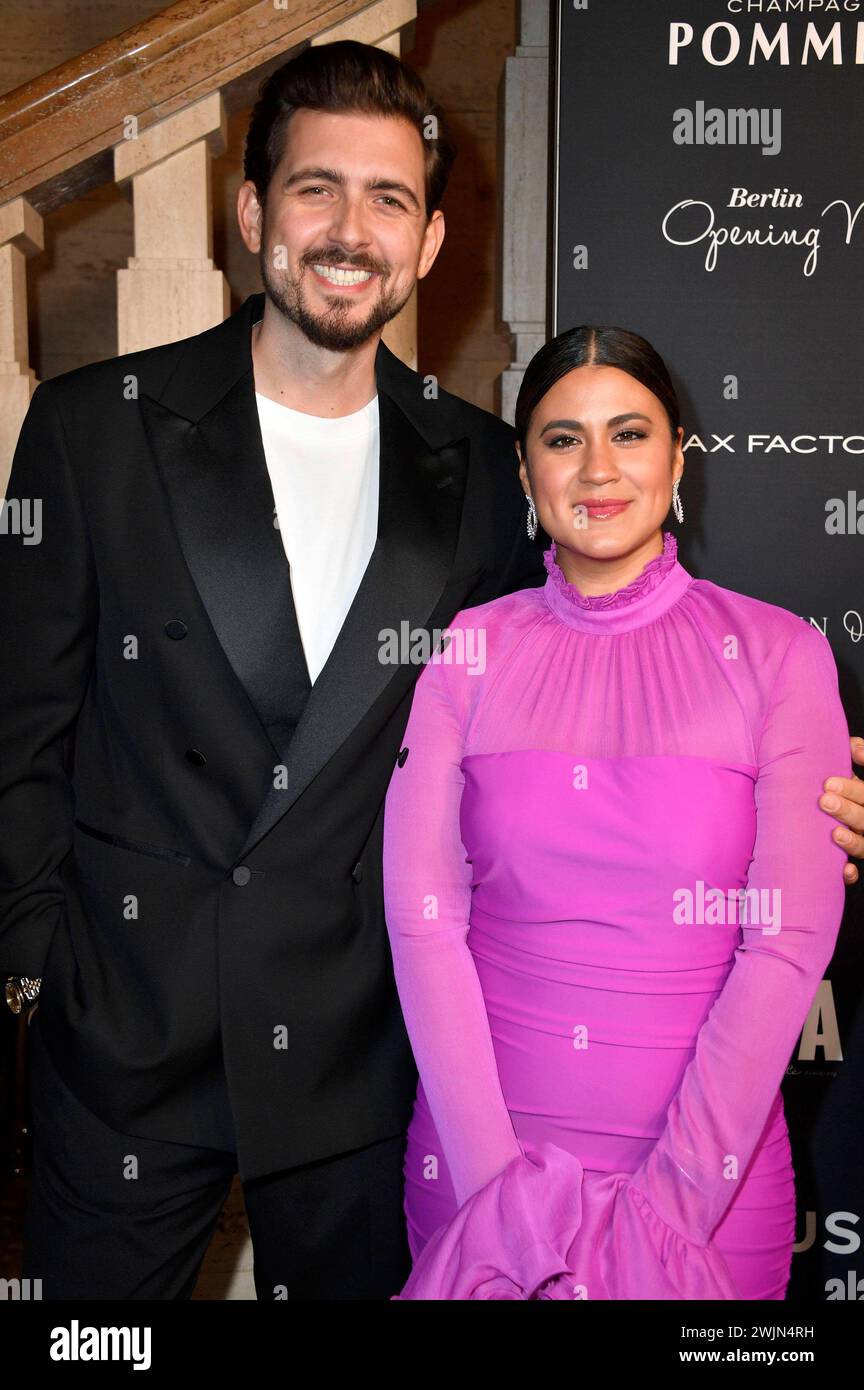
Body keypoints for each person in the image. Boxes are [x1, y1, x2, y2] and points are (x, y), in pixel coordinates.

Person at [0, 40, 546, 1300]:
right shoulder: (95, 428)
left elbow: (548, 728)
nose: (349, 231)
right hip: (129, 1033)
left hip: (359, 1047)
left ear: (429, 241)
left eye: (388, 199)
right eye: (316, 189)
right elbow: (18, 719)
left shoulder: (480, 475)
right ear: (253, 215)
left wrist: (780, 789)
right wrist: (37, 966)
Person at [382, 325, 852, 1300]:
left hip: (710, 1201)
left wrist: (670, 1208)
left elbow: (789, 939)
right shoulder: (465, 650)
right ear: (524, 470)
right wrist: (498, 1193)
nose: (597, 468)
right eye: (562, 439)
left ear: (678, 457)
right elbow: (423, 924)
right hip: (481, 1178)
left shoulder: (778, 656)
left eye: (629, 433)